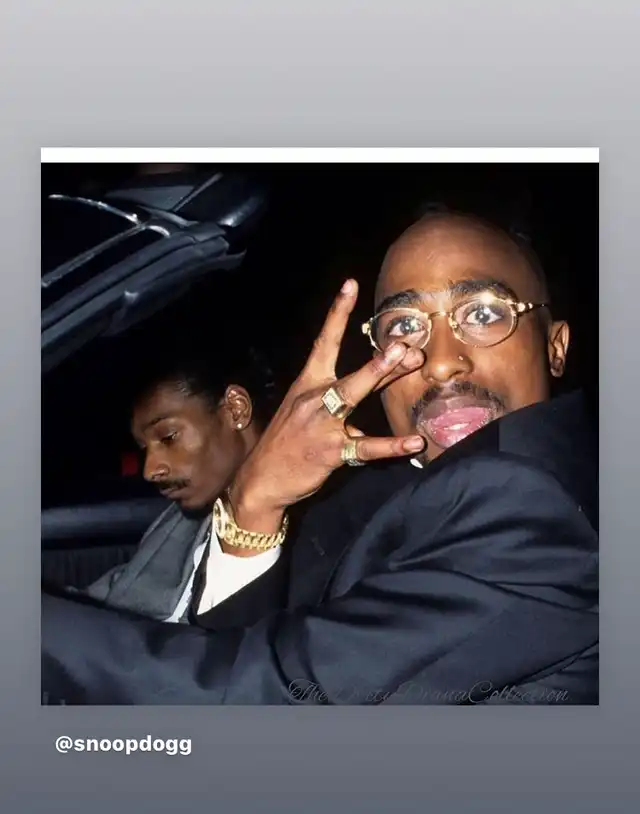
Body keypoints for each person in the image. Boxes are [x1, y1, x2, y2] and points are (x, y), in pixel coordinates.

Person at [41, 208, 598, 705]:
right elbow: (246, 648)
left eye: (482, 313)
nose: (440, 361)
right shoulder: (374, 490)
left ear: (556, 347)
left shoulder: (536, 504)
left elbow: (272, 698)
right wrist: (254, 502)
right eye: (405, 326)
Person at [73, 343, 286, 627]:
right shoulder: (179, 521)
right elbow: (112, 596)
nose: (150, 471)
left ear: (236, 409)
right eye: (144, 450)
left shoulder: (311, 532)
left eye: (168, 437)